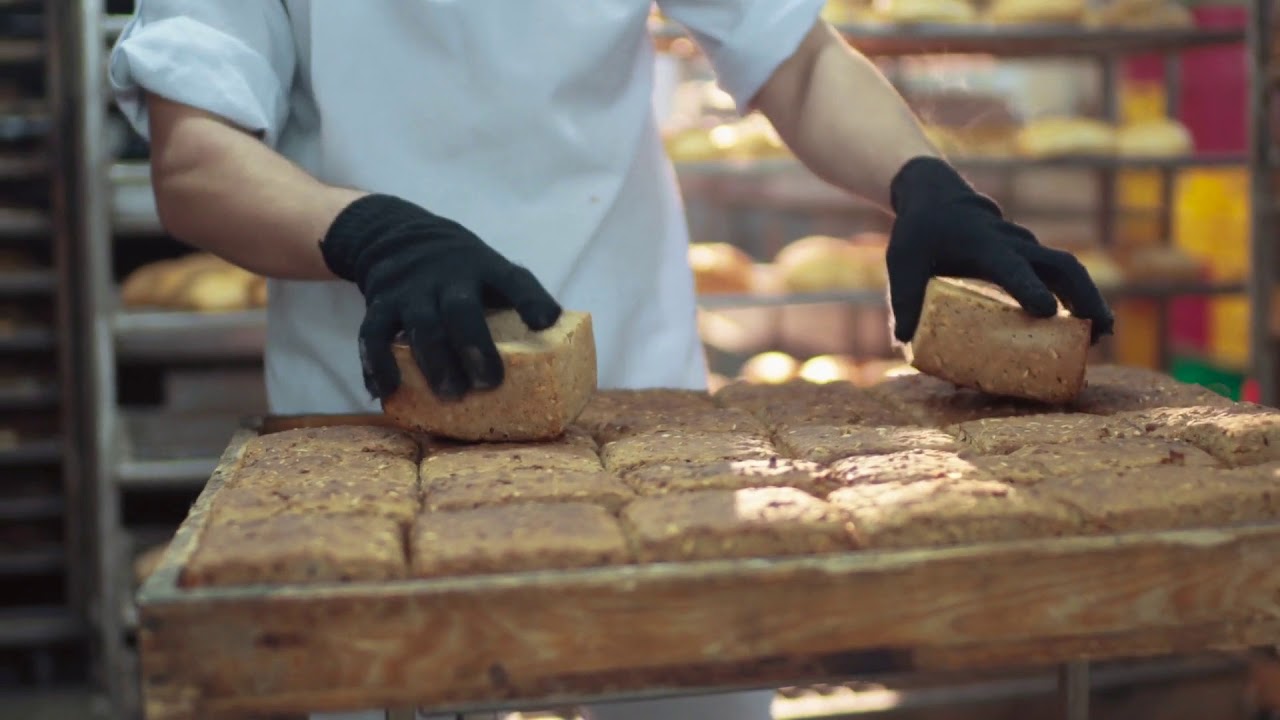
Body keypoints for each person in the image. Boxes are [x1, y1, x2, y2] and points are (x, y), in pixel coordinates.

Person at [110, 2, 1114, 719]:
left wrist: (924, 182)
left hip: (639, 414)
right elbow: (194, 156)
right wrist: (368, 233)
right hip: (374, 424)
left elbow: (795, 63)